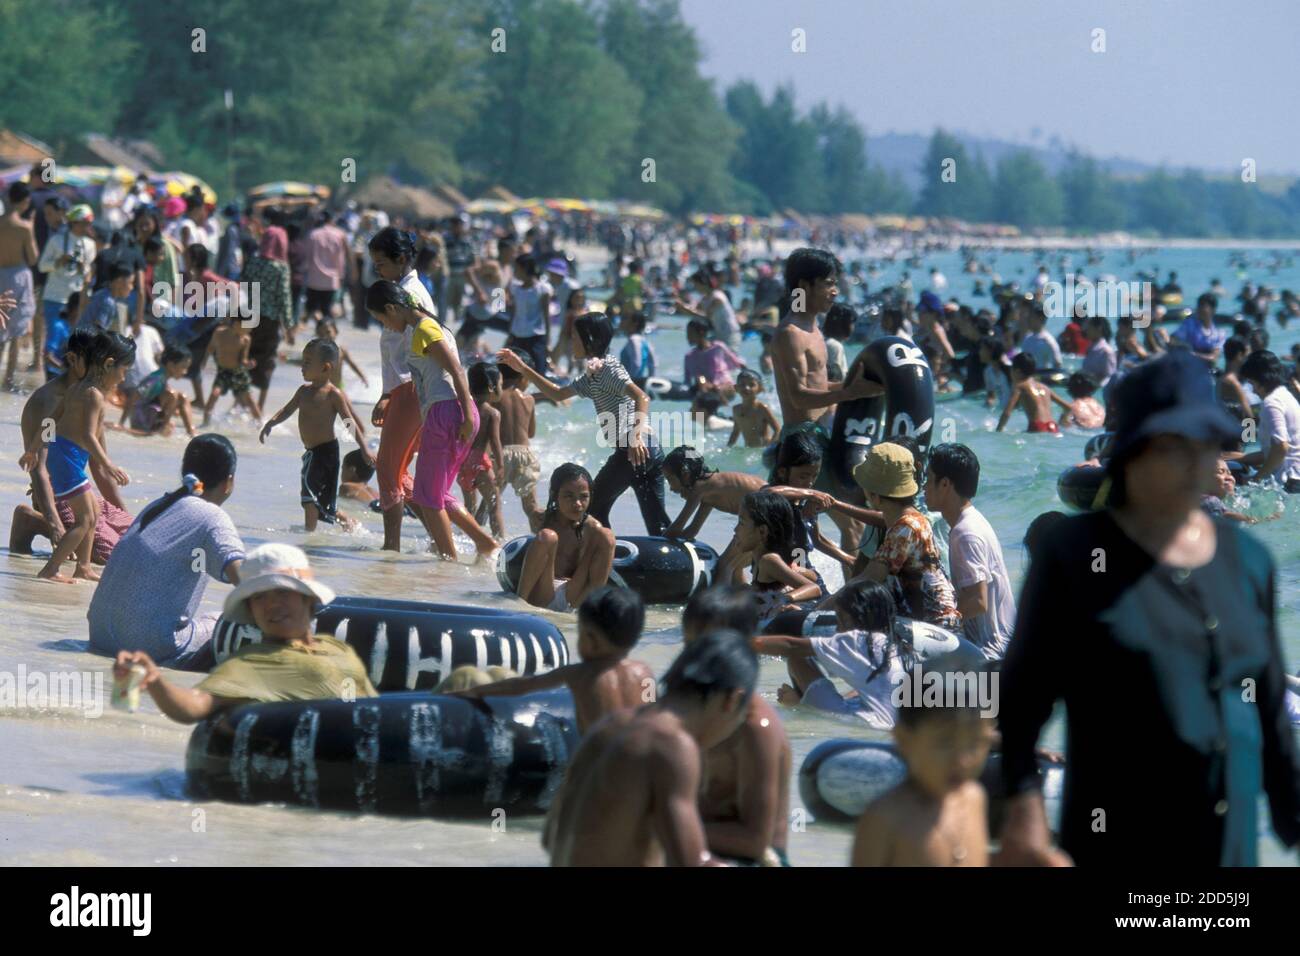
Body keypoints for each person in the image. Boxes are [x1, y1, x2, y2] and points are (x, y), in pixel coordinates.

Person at [998, 350, 1300, 867]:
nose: (1193, 461)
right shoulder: (1072, 558)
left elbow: (1269, 710)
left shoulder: (1247, 560)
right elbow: (1019, 709)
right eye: (1170, 446)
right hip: (1120, 842)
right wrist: (1025, 820)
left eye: (1203, 444)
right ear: (1131, 451)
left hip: (1229, 851)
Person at [544, 629, 759, 866]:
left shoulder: (609, 727)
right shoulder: (673, 745)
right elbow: (692, 863)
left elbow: (549, 837)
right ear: (733, 700)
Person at [112, 544, 376, 723]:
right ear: (250, 610)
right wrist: (156, 682)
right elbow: (195, 705)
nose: (272, 605)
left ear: (308, 599)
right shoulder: (252, 664)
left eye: (283, 592)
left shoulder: (336, 647)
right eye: (260, 597)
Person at [498, 313, 670, 536]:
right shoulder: (592, 376)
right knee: (657, 525)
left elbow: (642, 397)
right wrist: (522, 368)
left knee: (594, 507)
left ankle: (604, 558)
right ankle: (664, 564)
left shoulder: (608, 369)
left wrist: (635, 437)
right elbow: (558, 394)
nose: (571, 342)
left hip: (634, 448)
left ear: (589, 340)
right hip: (649, 451)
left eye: (574, 337)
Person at [365, 281, 496, 557]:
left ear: (392, 308)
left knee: (429, 497)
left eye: (383, 320)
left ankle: (448, 560)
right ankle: (484, 543)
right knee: (434, 493)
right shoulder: (422, 328)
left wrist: (467, 418)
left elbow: (457, 371)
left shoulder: (424, 329)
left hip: (448, 411)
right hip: (446, 413)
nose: (387, 327)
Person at [87, 434, 242, 667]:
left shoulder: (160, 505)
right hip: (149, 647)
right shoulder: (212, 517)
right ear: (229, 482)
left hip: (99, 635)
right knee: (224, 621)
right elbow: (245, 579)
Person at [770, 249, 881, 548]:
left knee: (790, 529)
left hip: (819, 437)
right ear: (805, 286)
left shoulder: (814, 328)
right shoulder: (790, 333)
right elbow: (798, 397)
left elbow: (817, 383)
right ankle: (857, 594)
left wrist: (851, 387)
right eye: (829, 284)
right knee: (853, 525)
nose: (835, 292)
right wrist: (849, 393)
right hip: (802, 442)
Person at [682, 586, 792, 867]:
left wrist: (663, 824)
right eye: (689, 646)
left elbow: (755, 840)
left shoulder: (755, 728)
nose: (695, 660)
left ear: (751, 646)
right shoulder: (692, 710)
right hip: (699, 844)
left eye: (708, 648)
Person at [451, 586, 652, 733]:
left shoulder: (580, 674)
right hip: (638, 765)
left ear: (591, 640)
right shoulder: (646, 674)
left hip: (597, 768)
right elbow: (657, 713)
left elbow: (523, 686)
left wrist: (476, 691)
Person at [19, 332, 134, 581]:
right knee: (100, 540)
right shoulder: (82, 396)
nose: (123, 378)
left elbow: (55, 424)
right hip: (62, 480)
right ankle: (48, 562)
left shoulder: (78, 391)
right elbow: (86, 437)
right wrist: (53, 523)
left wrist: (124, 515)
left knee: (132, 539)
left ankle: (83, 567)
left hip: (73, 470)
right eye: (123, 371)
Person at [851, 683, 997, 866]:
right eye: (945, 742)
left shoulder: (974, 798)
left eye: (974, 744)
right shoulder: (886, 819)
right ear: (904, 740)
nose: (962, 760)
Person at [754, 579, 913, 724]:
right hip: (890, 724)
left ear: (856, 617)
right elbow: (867, 692)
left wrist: (741, 642)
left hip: (862, 724)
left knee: (797, 658)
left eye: (841, 620)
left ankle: (800, 706)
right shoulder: (897, 645)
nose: (838, 629)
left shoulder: (857, 640)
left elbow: (791, 645)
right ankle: (803, 704)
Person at [259, 338, 373, 532]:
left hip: (326, 453)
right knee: (319, 500)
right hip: (311, 453)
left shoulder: (333, 394)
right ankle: (348, 524)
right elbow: (286, 410)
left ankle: (308, 533)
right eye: (302, 362)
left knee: (310, 495)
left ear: (325, 367)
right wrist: (271, 422)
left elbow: (348, 422)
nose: (302, 367)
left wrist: (364, 449)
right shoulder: (303, 392)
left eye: (307, 363)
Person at [848, 444, 961, 631]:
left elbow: (870, 577)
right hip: (931, 624)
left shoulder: (905, 529)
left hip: (934, 628)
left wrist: (821, 610)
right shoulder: (910, 520)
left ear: (875, 497)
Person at [924, 444, 1015, 661]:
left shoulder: (965, 534)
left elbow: (978, 601)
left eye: (928, 479)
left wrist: (934, 626)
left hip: (991, 652)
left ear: (944, 484)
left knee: (908, 687)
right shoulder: (970, 521)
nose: (924, 487)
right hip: (1003, 644)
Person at [513, 463, 615, 612]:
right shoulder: (542, 520)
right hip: (541, 596)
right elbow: (528, 501)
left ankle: (593, 608)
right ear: (555, 495)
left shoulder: (592, 529)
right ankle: (518, 603)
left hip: (574, 597)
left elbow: (597, 570)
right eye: (569, 496)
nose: (577, 504)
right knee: (547, 536)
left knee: (607, 535)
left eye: (584, 496)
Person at [722, 490, 823, 625]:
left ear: (762, 531)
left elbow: (814, 588)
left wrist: (784, 600)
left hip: (787, 620)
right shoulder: (756, 556)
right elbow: (758, 590)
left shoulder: (768, 560)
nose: (735, 529)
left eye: (741, 523)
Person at [240, 218, 293, 413]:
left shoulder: (253, 262)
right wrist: (288, 326)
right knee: (266, 363)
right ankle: (259, 407)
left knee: (245, 357)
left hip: (248, 317)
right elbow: (284, 298)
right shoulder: (280, 268)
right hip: (270, 321)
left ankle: (241, 402)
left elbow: (242, 286)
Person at [1231, 350, 1300, 492]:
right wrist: (1244, 457)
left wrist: (1257, 479)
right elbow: (1276, 450)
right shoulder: (1286, 394)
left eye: (1252, 383)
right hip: (1294, 474)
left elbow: (1281, 447)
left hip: (1289, 481)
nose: (1253, 390)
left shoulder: (1271, 402)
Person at [662, 445, 765, 540]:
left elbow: (677, 527)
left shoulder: (699, 489)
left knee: (733, 550)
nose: (670, 488)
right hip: (768, 504)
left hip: (767, 505)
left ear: (685, 474)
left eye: (670, 479)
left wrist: (660, 541)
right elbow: (693, 530)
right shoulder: (709, 490)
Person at [38, 203, 95, 363]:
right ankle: (50, 376)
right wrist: (58, 262)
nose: (87, 227)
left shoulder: (90, 245)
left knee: (71, 342)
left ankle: (64, 378)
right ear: (73, 223)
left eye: (89, 223)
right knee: (53, 341)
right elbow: (42, 266)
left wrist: (83, 267)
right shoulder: (56, 241)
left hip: (75, 301)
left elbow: (88, 274)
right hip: (54, 297)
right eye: (84, 223)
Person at [458, 362, 505, 538]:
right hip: (480, 464)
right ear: (491, 387)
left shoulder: (465, 409)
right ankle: (499, 542)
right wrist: (500, 465)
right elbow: (495, 441)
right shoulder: (492, 413)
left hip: (462, 463)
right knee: (494, 505)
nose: (502, 388)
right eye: (500, 384)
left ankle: (468, 538)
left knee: (469, 507)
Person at [495, 359, 543, 531]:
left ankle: (488, 545)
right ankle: (540, 539)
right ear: (523, 377)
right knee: (531, 507)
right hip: (525, 455)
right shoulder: (529, 399)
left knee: (491, 504)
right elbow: (531, 433)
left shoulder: (496, 396)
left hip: (501, 455)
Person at [0, 181, 39, 388]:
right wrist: (31, 228)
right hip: (18, 276)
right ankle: (7, 380)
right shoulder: (24, 227)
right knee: (15, 333)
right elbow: (33, 258)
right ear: (24, 201)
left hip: (0, 275)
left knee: (0, 328)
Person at [120, 345, 196, 436]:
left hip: (149, 416)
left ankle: (191, 432)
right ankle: (161, 429)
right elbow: (133, 398)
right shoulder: (155, 379)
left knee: (182, 396)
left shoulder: (163, 379)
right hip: (142, 422)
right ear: (171, 365)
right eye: (183, 367)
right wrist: (121, 424)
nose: (185, 372)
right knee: (172, 394)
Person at [202, 313, 261, 425]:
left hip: (238, 372)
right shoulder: (219, 333)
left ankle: (260, 424)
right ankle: (205, 423)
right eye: (248, 327)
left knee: (250, 400)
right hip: (223, 371)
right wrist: (204, 360)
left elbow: (243, 359)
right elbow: (210, 347)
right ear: (237, 324)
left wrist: (248, 364)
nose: (250, 330)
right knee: (214, 394)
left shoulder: (245, 339)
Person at [996, 353, 1071, 433]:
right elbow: (1068, 407)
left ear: (1017, 371)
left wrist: (998, 430)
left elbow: (1007, 412)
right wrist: (1062, 421)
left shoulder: (1020, 386)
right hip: (1053, 426)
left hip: (1037, 426)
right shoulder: (1045, 387)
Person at [504, 253, 553, 375]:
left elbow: (546, 316)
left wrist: (548, 341)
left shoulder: (543, 289)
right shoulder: (515, 288)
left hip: (536, 337)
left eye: (516, 268)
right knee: (513, 373)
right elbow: (513, 313)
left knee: (539, 373)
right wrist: (509, 335)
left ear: (525, 268)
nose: (514, 272)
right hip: (517, 336)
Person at [304, 210, 349, 320]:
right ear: (331, 220)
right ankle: (325, 331)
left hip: (313, 279)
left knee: (312, 309)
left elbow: (307, 257)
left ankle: (317, 326)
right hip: (332, 280)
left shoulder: (312, 234)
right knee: (327, 310)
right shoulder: (340, 235)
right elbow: (341, 258)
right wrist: (342, 275)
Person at [683, 319, 744, 399]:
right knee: (701, 380)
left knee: (714, 389)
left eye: (690, 333)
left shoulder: (718, 347)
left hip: (725, 385)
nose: (687, 337)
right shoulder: (690, 356)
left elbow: (737, 363)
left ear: (701, 332)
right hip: (706, 386)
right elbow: (690, 381)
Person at [727, 368, 780, 448]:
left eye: (751, 385)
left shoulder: (762, 408)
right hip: (748, 450)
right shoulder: (736, 409)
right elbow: (735, 432)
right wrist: (728, 447)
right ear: (736, 388)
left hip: (763, 448)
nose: (746, 388)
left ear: (760, 389)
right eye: (742, 384)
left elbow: (777, 430)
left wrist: (771, 448)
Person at [314, 318, 368, 389]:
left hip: (338, 387)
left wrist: (362, 376)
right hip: (321, 388)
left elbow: (352, 364)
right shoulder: (317, 351)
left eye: (328, 332)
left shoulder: (341, 350)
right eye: (321, 334)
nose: (325, 336)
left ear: (335, 331)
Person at [1173, 293, 1228, 363]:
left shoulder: (1219, 333)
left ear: (1213, 310)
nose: (1200, 310)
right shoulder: (1189, 325)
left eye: (1204, 307)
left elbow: (1213, 357)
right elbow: (1174, 340)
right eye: (1199, 306)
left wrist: (1191, 354)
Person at [618, 311, 656, 386]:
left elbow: (637, 364)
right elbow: (653, 364)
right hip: (638, 382)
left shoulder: (633, 340)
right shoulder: (645, 340)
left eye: (625, 319)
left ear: (635, 323)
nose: (621, 321)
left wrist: (630, 385)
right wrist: (651, 381)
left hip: (631, 383)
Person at [1018, 306, 1062, 371]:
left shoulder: (1048, 341)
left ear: (1040, 319)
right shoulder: (1027, 338)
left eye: (1032, 317)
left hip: (1042, 377)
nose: (1029, 320)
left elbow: (1058, 363)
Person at [1081, 315, 1117, 388]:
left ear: (1098, 329)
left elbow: (1109, 377)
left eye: (1089, 327)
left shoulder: (1106, 351)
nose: (1086, 330)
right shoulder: (1091, 348)